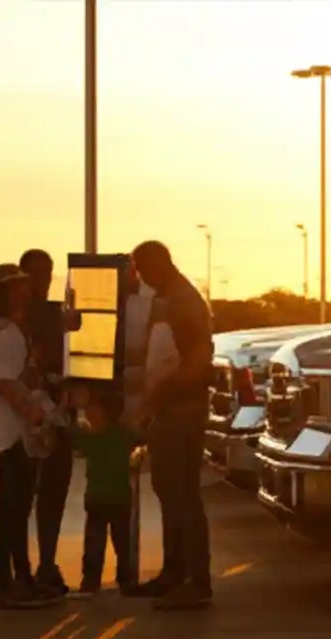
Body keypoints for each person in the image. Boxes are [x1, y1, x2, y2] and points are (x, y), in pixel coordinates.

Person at [125, 240, 214, 609]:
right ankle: (175, 571)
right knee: (171, 492)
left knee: (181, 493)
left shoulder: (181, 302)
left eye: (142, 270)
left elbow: (195, 361)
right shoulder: (172, 298)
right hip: (172, 410)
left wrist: (156, 396)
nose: (141, 278)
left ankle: (195, 577)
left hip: (181, 410)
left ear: (156, 265)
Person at [0, 263, 62, 609]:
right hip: (12, 432)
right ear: (7, 293)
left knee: (15, 507)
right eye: (19, 286)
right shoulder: (7, 332)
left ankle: (19, 578)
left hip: (14, 430)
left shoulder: (10, 331)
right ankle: (7, 582)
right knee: (12, 508)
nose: (27, 290)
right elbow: (7, 384)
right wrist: (38, 418)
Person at [19, 249, 80, 594]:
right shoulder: (18, 318)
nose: (43, 280)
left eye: (48, 272)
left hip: (59, 414)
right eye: (36, 273)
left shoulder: (55, 313)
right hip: (28, 418)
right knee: (22, 496)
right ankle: (24, 569)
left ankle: (44, 563)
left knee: (53, 493)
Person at [70, 389, 138, 596]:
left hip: (99, 497)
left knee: (96, 541)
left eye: (93, 407)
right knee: (121, 540)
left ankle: (92, 579)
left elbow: (70, 436)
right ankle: (125, 578)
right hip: (118, 497)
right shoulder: (124, 434)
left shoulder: (90, 437)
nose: (88, 411)